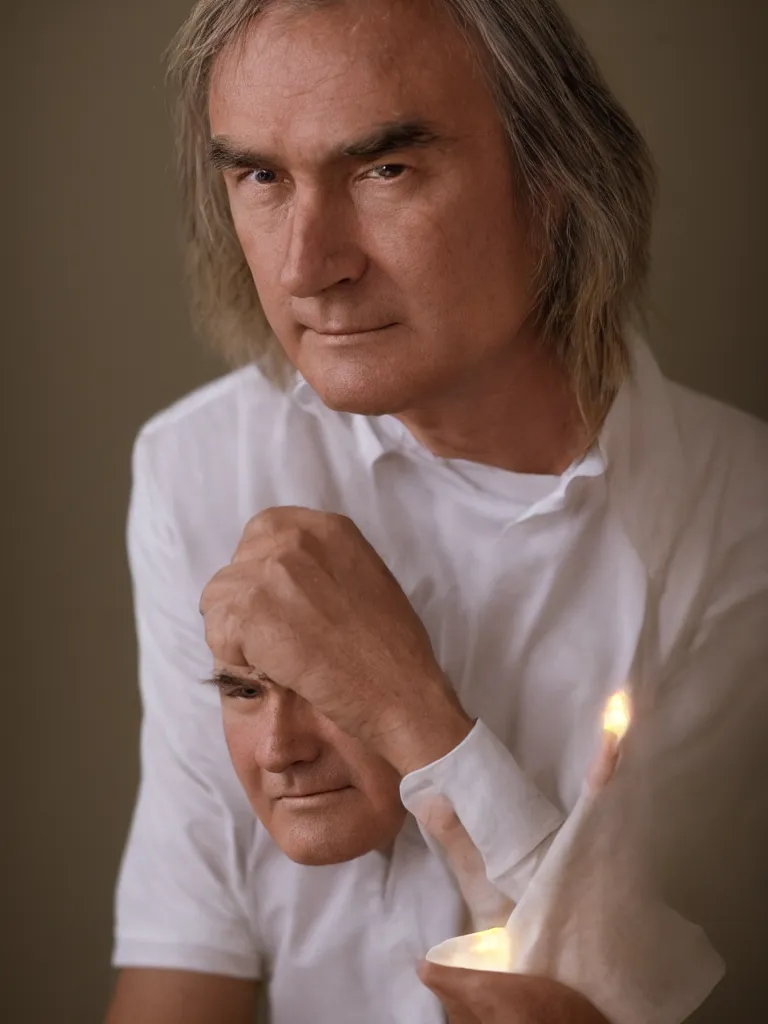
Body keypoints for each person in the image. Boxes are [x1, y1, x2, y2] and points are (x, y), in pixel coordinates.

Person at [106, 0, 768, 1022]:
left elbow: (669, 993)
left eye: (385, 170)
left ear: (553, 181)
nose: (304, 265)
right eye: (261, 176)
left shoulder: (738, 515)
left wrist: (411, 712)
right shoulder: (198, 465)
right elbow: (186, 954)